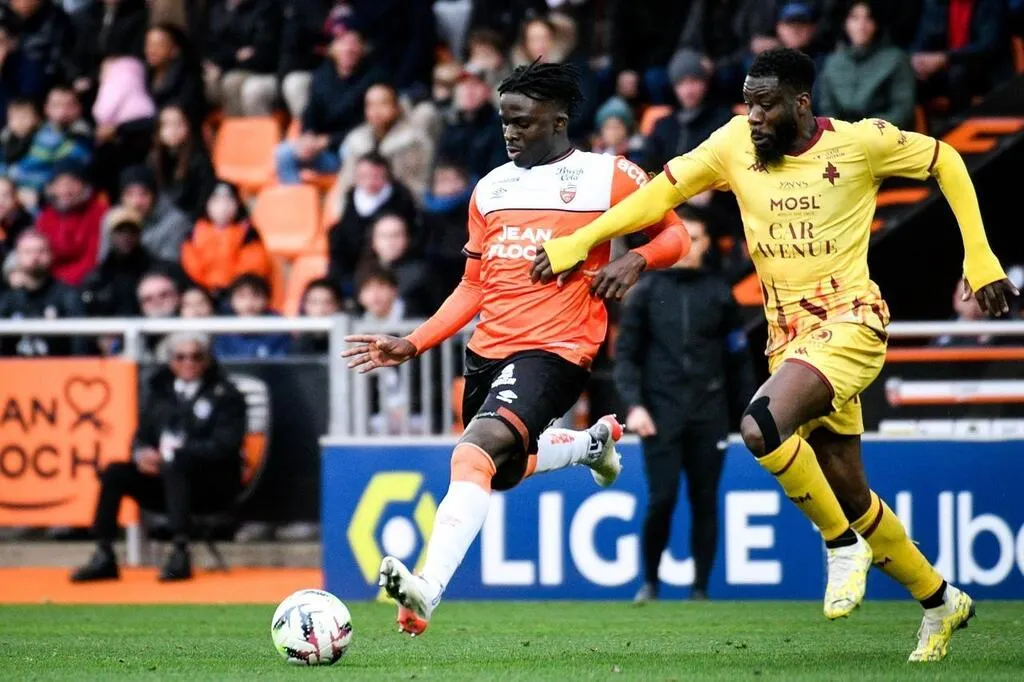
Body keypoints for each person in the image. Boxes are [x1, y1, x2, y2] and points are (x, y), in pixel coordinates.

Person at [533, 47, 1019, 662]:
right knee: (851, 492)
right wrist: (581, 240)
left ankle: (840, 545)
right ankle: (940, 600)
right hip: (787, 337)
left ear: (801, 103)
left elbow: (946, 158)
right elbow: (657, 197)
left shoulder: (861, 144)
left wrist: (979, 256)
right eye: (748, 102)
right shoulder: (735, 142)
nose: (754, 116)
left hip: (851, 323)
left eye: (765, 105)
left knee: (761, 426)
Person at [342, 60, 690, 636]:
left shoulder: (609, 176)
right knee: (499, 472)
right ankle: (587, 446)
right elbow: (475, 285)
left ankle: (425, 590)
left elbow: (676, 234)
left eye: (522, 122)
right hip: (488, 350)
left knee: (470, 454)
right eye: (505, 121)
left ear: (557, 120)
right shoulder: (491, 188)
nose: (509, 132)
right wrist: (415, 341)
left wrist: (633, 259)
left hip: (558, 347)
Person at [615, 208, 755, 603]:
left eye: (696, 238)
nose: (689, 247)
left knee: (704, 499)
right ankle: (651, 584)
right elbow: (625, 358)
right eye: (683, 237)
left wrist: (747, 413)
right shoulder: (645, 292)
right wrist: (635, 406)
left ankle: (699, 589)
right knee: (662, 499)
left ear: (708, 244)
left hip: (709, 413)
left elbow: (738, 359)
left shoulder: (719, 293)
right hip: (660, 414)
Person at [70, 332, 246, 583]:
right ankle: (104, 552)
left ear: (207, 360)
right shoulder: (158, 392)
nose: (189, 363)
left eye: (196, 357)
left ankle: (180, 551)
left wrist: (177, 454)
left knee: (177, 463)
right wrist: (142, 454)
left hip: (210, 484)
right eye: (181, 357)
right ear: (171, 360)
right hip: (163, 482)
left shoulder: (226, 395)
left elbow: (225, 446)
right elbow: (141, 436)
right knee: (115, 472)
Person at [816, 1, 915, 130]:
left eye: (868, 18)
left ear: (877, 23)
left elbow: (902, 110)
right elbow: (826, 109)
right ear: (845, 23)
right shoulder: (832, 62)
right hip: (842, 140)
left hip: (884, 138)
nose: (861, 25)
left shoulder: (896, 59)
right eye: (854, 18)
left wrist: (866, 132)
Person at [180, 180, 273, 299]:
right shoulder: (193, 233)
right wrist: (208, 287)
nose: (223, 206)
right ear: (206, 203)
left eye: (229, 200)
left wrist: (229, 288)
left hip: (238, 295)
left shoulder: (249, 233)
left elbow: (253, 266)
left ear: (238, 204)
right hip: (203, 294)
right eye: (216, 200)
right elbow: (191, 265)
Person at [0, 229, 86, 356]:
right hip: (16, 372)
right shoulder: (8, 300)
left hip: (58, 371)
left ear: (51, 255)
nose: (35, 257)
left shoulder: (67, 296)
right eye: (28, 252)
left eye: (41, 251)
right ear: (17, 257)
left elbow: (80, 346)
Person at [35, 159, 107, 286]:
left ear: (84, 186)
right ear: (51, 189)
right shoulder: (46, 217)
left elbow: (94, 257)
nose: (66, 191)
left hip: (86, 282)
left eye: (72, 183)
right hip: (50, 283)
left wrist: (62, 282)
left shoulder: (98, 213)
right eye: (60, 184)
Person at [149, 103, 216, 218]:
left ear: (188, 127)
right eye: (167, 125)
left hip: (188, 219)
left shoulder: (199, 160)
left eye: (178, 124)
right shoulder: (153, 159)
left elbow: (203, 200)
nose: (173, 130)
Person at [213, 273, 291, 358]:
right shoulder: (222, 328)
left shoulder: (279, 328)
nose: (249, 303)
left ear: (267, 299)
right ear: (231, 300)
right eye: (242, 296)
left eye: (256, 296)